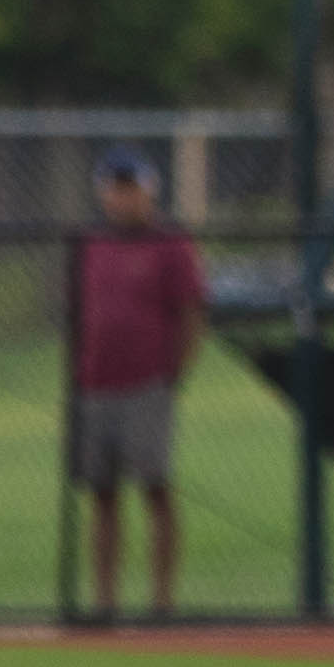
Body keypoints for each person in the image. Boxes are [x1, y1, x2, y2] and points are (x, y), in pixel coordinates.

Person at [69, 146, 205, 621]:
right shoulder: (91, 243)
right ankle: (104, 602)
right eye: (115, 188)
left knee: (155, 487)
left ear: (149, 190)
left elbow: (191, 312)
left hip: (147, 383)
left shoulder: (170, 243)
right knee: (102, 495)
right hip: (95, 383)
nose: (123, 198)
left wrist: (174, 374)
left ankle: (162, 602)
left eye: (132, 188)